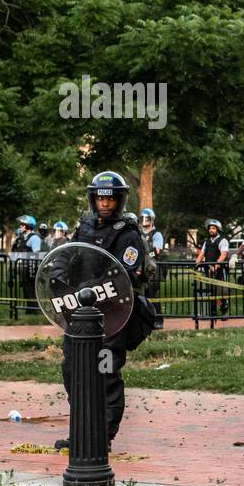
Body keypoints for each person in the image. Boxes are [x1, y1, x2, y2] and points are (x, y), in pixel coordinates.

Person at [54, 171, 152, 450]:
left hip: (112, 315)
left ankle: (103, 435)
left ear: (119, 200)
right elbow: (68, 255)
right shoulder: (84, 227)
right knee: (73, 370)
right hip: (79, 315)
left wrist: (89, 288)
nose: (105, 204)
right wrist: (58, 275)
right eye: (100, 198)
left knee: (105, 373)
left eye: (110, 199)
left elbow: (126, 274)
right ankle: (82, 430)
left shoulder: (127, 234)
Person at [194, 219, 230, 317]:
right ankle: (212, 313)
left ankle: (224, 312)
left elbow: (224, 254)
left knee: (222, 291)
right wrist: (196, 263)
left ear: (218, 230)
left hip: (220, 270)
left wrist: (217, 264)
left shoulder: (222, 240)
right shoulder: (207, 242)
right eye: (210, 228)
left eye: (213, 228)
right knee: (211, 291)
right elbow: (202, 254)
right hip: (208, 269)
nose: (211, 230)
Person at [10, 214, 43, 313]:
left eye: (22, 224)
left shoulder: (34, 238)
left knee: (31, 288)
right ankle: (29, 309)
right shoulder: (23, 237)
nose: (20, 226)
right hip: (23, 267)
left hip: (31, 267)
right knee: (25, 288)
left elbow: (36, 254)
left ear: (28, 226)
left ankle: (33, 310)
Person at [139, 208, 164, 319]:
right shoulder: (138, 232)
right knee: (141, 293)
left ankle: (158, 318)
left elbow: (156, 251)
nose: (145, 221)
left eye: (147, 219)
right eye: (143, 219)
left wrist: (146, 252)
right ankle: (145, 318)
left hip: (152, 267)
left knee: (153, 294)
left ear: (152, 220)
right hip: (141, 267)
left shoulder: (156, 234)